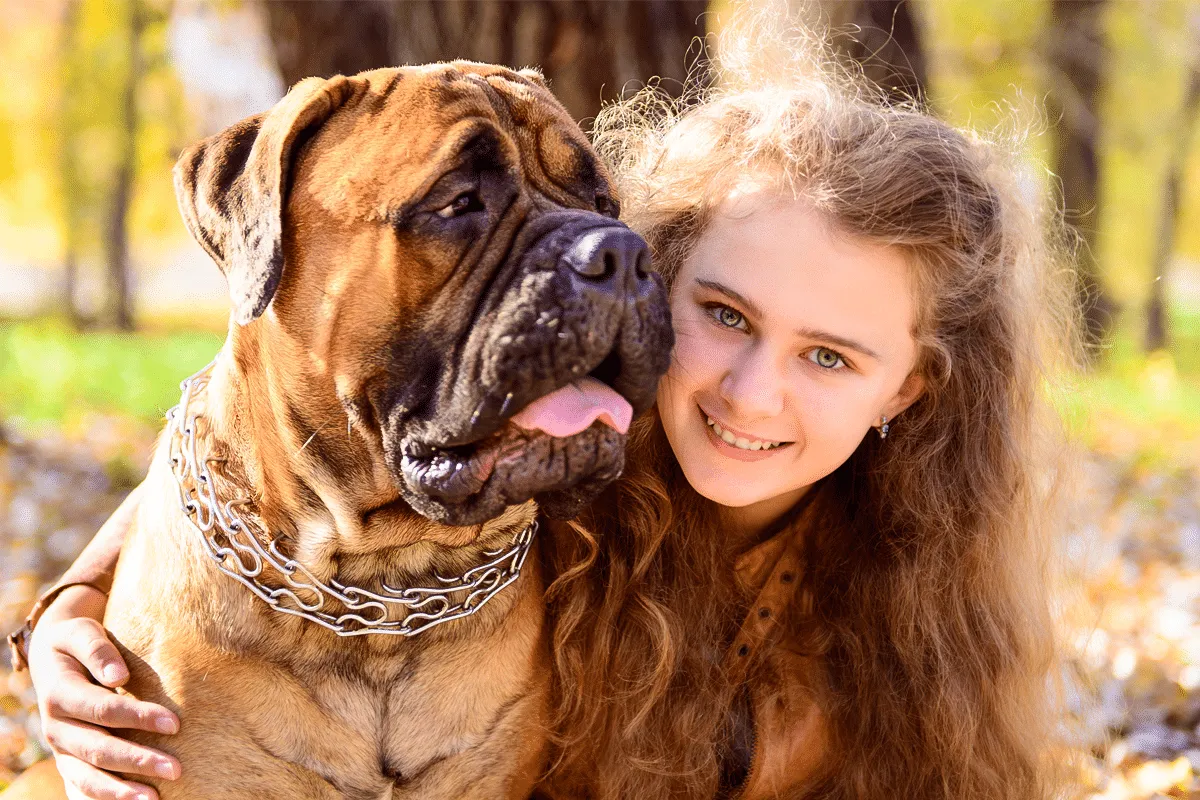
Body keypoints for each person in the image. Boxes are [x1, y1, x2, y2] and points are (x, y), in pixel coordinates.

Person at [9, 8, 1077, 800]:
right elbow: (239, 444)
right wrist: (73, 604)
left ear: (912, 387)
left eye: (833, 357)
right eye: (725, 313)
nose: (755, 391)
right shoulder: (584, 439)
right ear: (668, 269)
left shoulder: (912, 612)